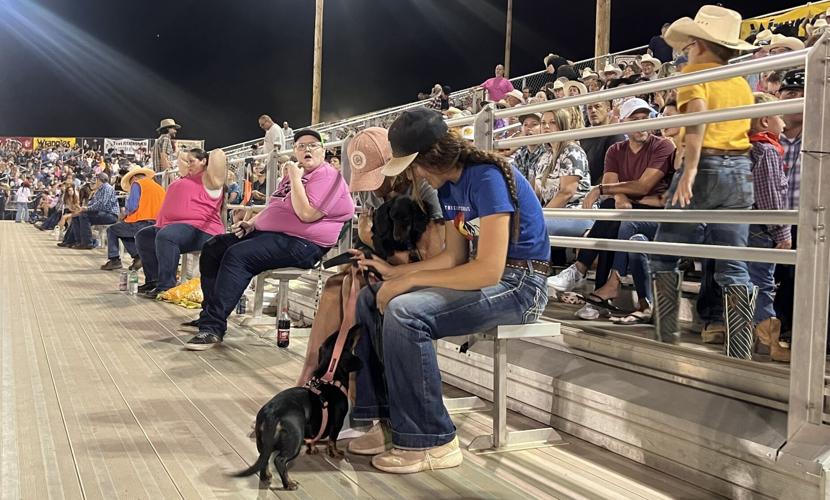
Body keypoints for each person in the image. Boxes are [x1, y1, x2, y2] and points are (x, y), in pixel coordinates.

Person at [346, 107, 549, 473]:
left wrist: (408, 281)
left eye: (415, 166)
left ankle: (432, 441)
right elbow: (452, 258)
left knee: (406, 313)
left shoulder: (486, 177)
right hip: (498, 278)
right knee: (369, 297)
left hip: (522, 284)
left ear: (430, 159)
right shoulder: (452, 184)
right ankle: (388, 424)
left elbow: (488, 270)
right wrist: (395, 273)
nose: (414, 175)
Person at [295, 127, 445, 384]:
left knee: (357, 292)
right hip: (389, 265)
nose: (372, 190)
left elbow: (433, 258)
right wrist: (366, 253)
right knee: (335, 284)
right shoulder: (376, 194)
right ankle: (312, 375)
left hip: (420, 270)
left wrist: (369, 240)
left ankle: (357, 388)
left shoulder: (422, 190)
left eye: (375, 179)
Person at [185, 130, 354, 350]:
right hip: (272, 235)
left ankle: (213, 327)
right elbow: (274, 206)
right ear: (295, 151)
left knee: (239, 255)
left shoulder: (328, 175)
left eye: (313, 145)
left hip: (303, 243)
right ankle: (208, 314)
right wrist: (253, 223)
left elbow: (307, 214)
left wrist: (294, 177)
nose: (307, 150)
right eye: (301, 146)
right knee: (214, 247)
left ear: (323, 150)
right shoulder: (294, 176)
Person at [649, 5, 757, 352]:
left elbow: (696, 122)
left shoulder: (694, 75)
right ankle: (740, 348)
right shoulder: (740, 82)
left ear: (697, 43)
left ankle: (666, 335)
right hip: (739, 169)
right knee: (733, 262)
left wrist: (690, 170)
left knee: (666, 252)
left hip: (705, 166)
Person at [548, 99, 675, 303]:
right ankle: (598, 293)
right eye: (635, 119)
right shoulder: (616, 150)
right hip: (629, 209)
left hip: (654, 210)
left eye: (646, 118)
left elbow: (642, 185)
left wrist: (603, 190)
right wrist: (619, 195)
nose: (642, 124)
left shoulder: (662, 146)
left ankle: (583, 272)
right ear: (623, 122)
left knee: (615, 216)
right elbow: (611, 184)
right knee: (612, 211)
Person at [135, 148, 226, 298]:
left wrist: (207, 157)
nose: (188, 164)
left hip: (203, 229)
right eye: (187, 162)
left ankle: (166, 286)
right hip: (174, 226)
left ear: (204, 161)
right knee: (143, 236)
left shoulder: (211, 180)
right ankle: (154, 280)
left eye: (192, 161)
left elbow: (219, 155)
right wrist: (187, 159)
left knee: (167, 236)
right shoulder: (184, 179)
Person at [746, 92, 791, 362]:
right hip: (761, 225)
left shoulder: (748, 147)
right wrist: (782, 231)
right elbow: (770, 195)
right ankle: (768, 343)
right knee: (763, 281)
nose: (783, 124)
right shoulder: (766, 150)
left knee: (751, 279)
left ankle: (752, 337)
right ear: (765, 121)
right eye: (779, 117)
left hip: (747, 223)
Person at [772, 69, 805, 341]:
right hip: (766, 222)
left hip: (804, 222)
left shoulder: (821, 137)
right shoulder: (766, 136)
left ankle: (788, 326)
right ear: (778, 98)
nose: (799, 100)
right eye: (792, 93)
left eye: (804, 94)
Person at [100, 165, 166, 271]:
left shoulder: (137, 183)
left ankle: (114, 259)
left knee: (112, 229)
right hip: (158, 224)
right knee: (123, 230)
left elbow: (132, 206)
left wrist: (125, 213)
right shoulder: (158, 187)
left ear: (134, 178)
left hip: (142, 222)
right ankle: (137, 256)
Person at [58, 173, 119, 249]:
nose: (95, 182)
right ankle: (73, 241)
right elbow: (93, 203)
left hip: (110, 214)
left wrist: (87, 209)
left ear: (99, 180)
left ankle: (87, 243)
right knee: (77, 217)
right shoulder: (100, 190)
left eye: (96, 180)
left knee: (83, 216)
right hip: (102, 213)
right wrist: (83, 208)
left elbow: (102, 204)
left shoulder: (107, 188)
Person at [581, 101, 627, 185]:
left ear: (608, 109)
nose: (593, 110)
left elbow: (614, 172)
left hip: (601, 190)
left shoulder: (615, 135)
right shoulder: (582, 136)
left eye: (597, 106)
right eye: (589, 108)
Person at [510, 112, 546, 181]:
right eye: (525, 124)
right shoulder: (521, 154)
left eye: (534, 124)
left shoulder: (547, 153)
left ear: (542, 128)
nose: (528, 128)